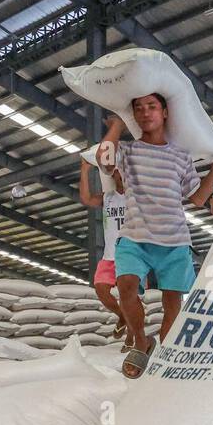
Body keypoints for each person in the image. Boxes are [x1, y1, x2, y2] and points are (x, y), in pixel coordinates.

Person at [98, 93, 213, 379]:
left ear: (165, 113)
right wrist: (116, 126)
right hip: (135, 236)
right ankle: (141, 342)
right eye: (138, 109)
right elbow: (104, 162)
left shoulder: (181, 156)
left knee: (172, 303)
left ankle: (164, 357)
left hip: (174, 240)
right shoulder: (127, 151)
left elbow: (198, 198)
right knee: (126, 284)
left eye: (152, 107)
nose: (145, 113)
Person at [76, 133, 133, 349]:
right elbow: (87, 199)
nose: (121, 178)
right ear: (114, 176)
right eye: (118, 174)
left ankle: (132, 339)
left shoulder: (137, 196)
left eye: (124, 175)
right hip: (109, 256)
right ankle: (123, 317)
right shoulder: (108, 197)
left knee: (131, 298)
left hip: (131, 255)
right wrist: (85, 170)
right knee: (100, 289)